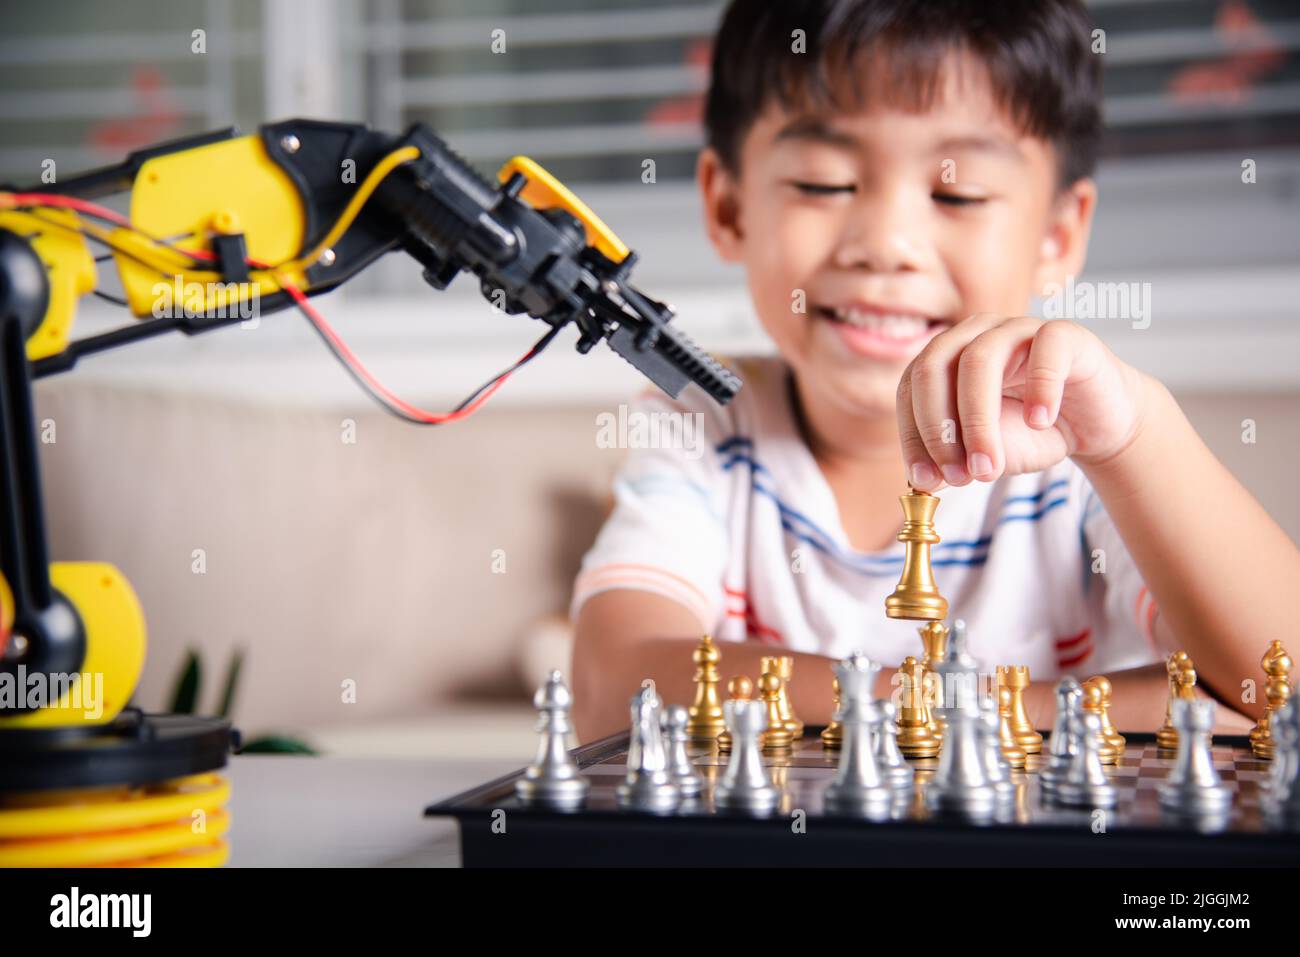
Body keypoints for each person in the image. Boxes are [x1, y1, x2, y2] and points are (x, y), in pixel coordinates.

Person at [569, 0, 1298, 742]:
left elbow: (1277, 684)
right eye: (823, 183)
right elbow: (609, 688)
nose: (887, 244)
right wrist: (1023, 708)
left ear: (1057, 234)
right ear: (728, 207)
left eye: (958, 193)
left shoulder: (1079, 451)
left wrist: (1133, 439)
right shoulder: (703, 421)